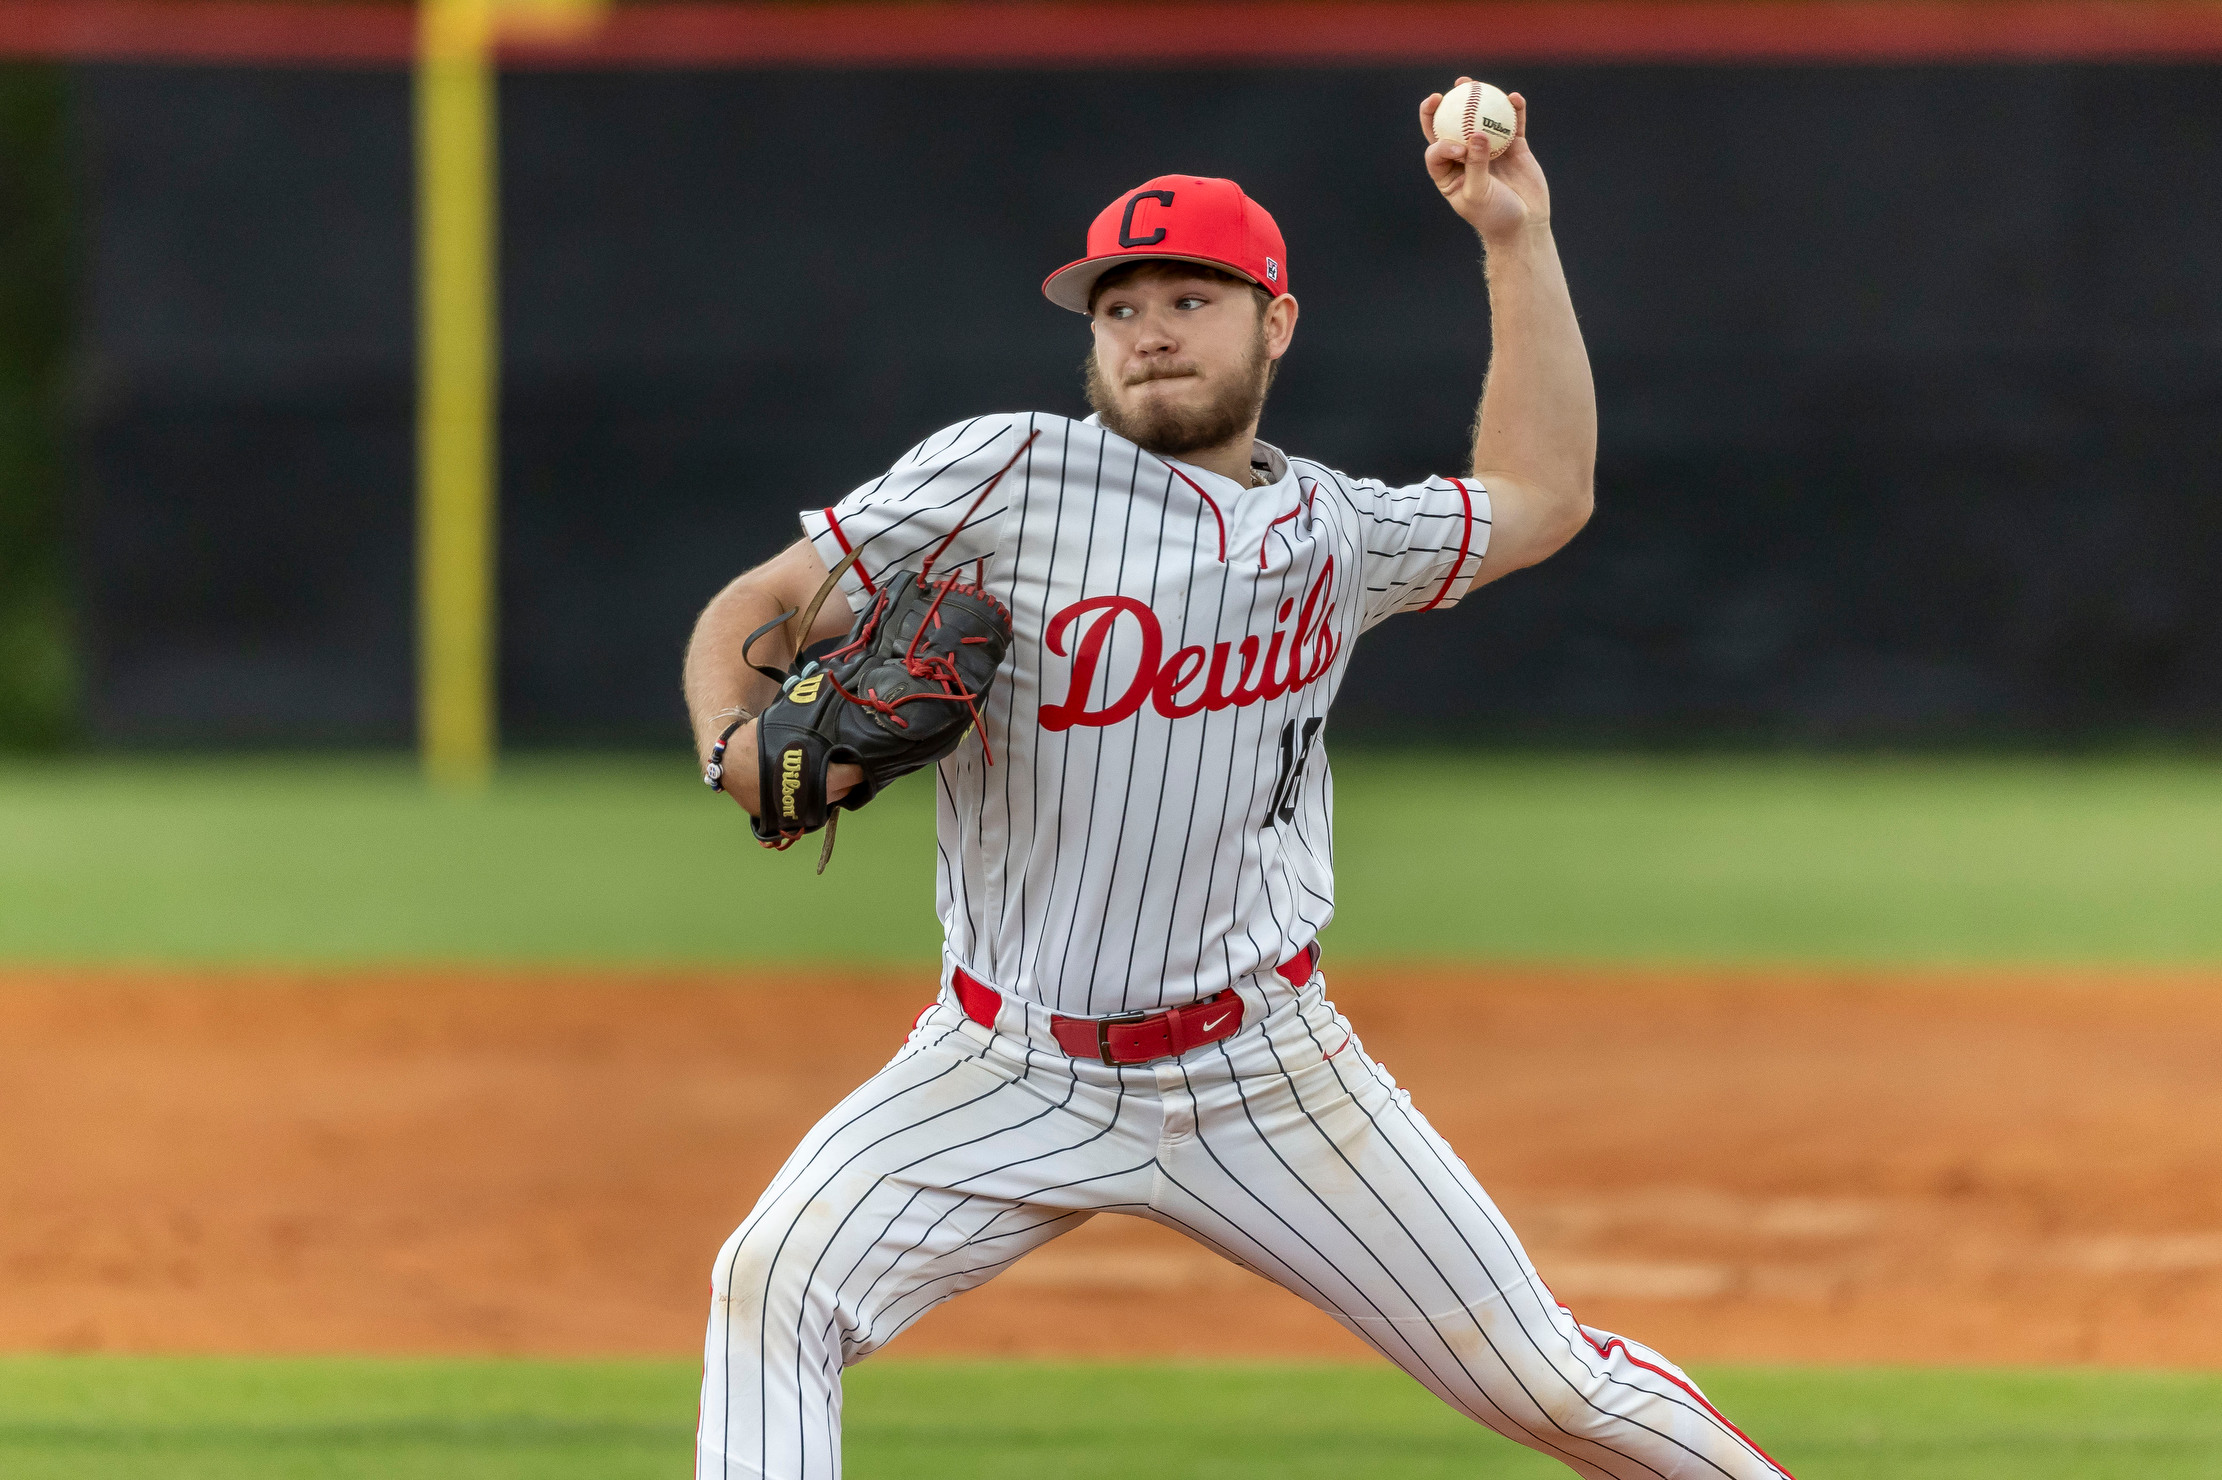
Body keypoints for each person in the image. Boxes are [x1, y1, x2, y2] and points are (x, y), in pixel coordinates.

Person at [680, 84, 1794, 1480]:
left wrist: (1516, 238)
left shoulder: (1334, 532)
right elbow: (761, 602)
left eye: (1189, 298)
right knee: (772, 1283)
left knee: (1549, 1387)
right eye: (1119, 306)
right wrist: (733, 743)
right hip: (1001, 1063)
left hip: (1264, 1071)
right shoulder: (999, 473)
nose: (1148, 328)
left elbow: (1543, 495)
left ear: (1275, 324)